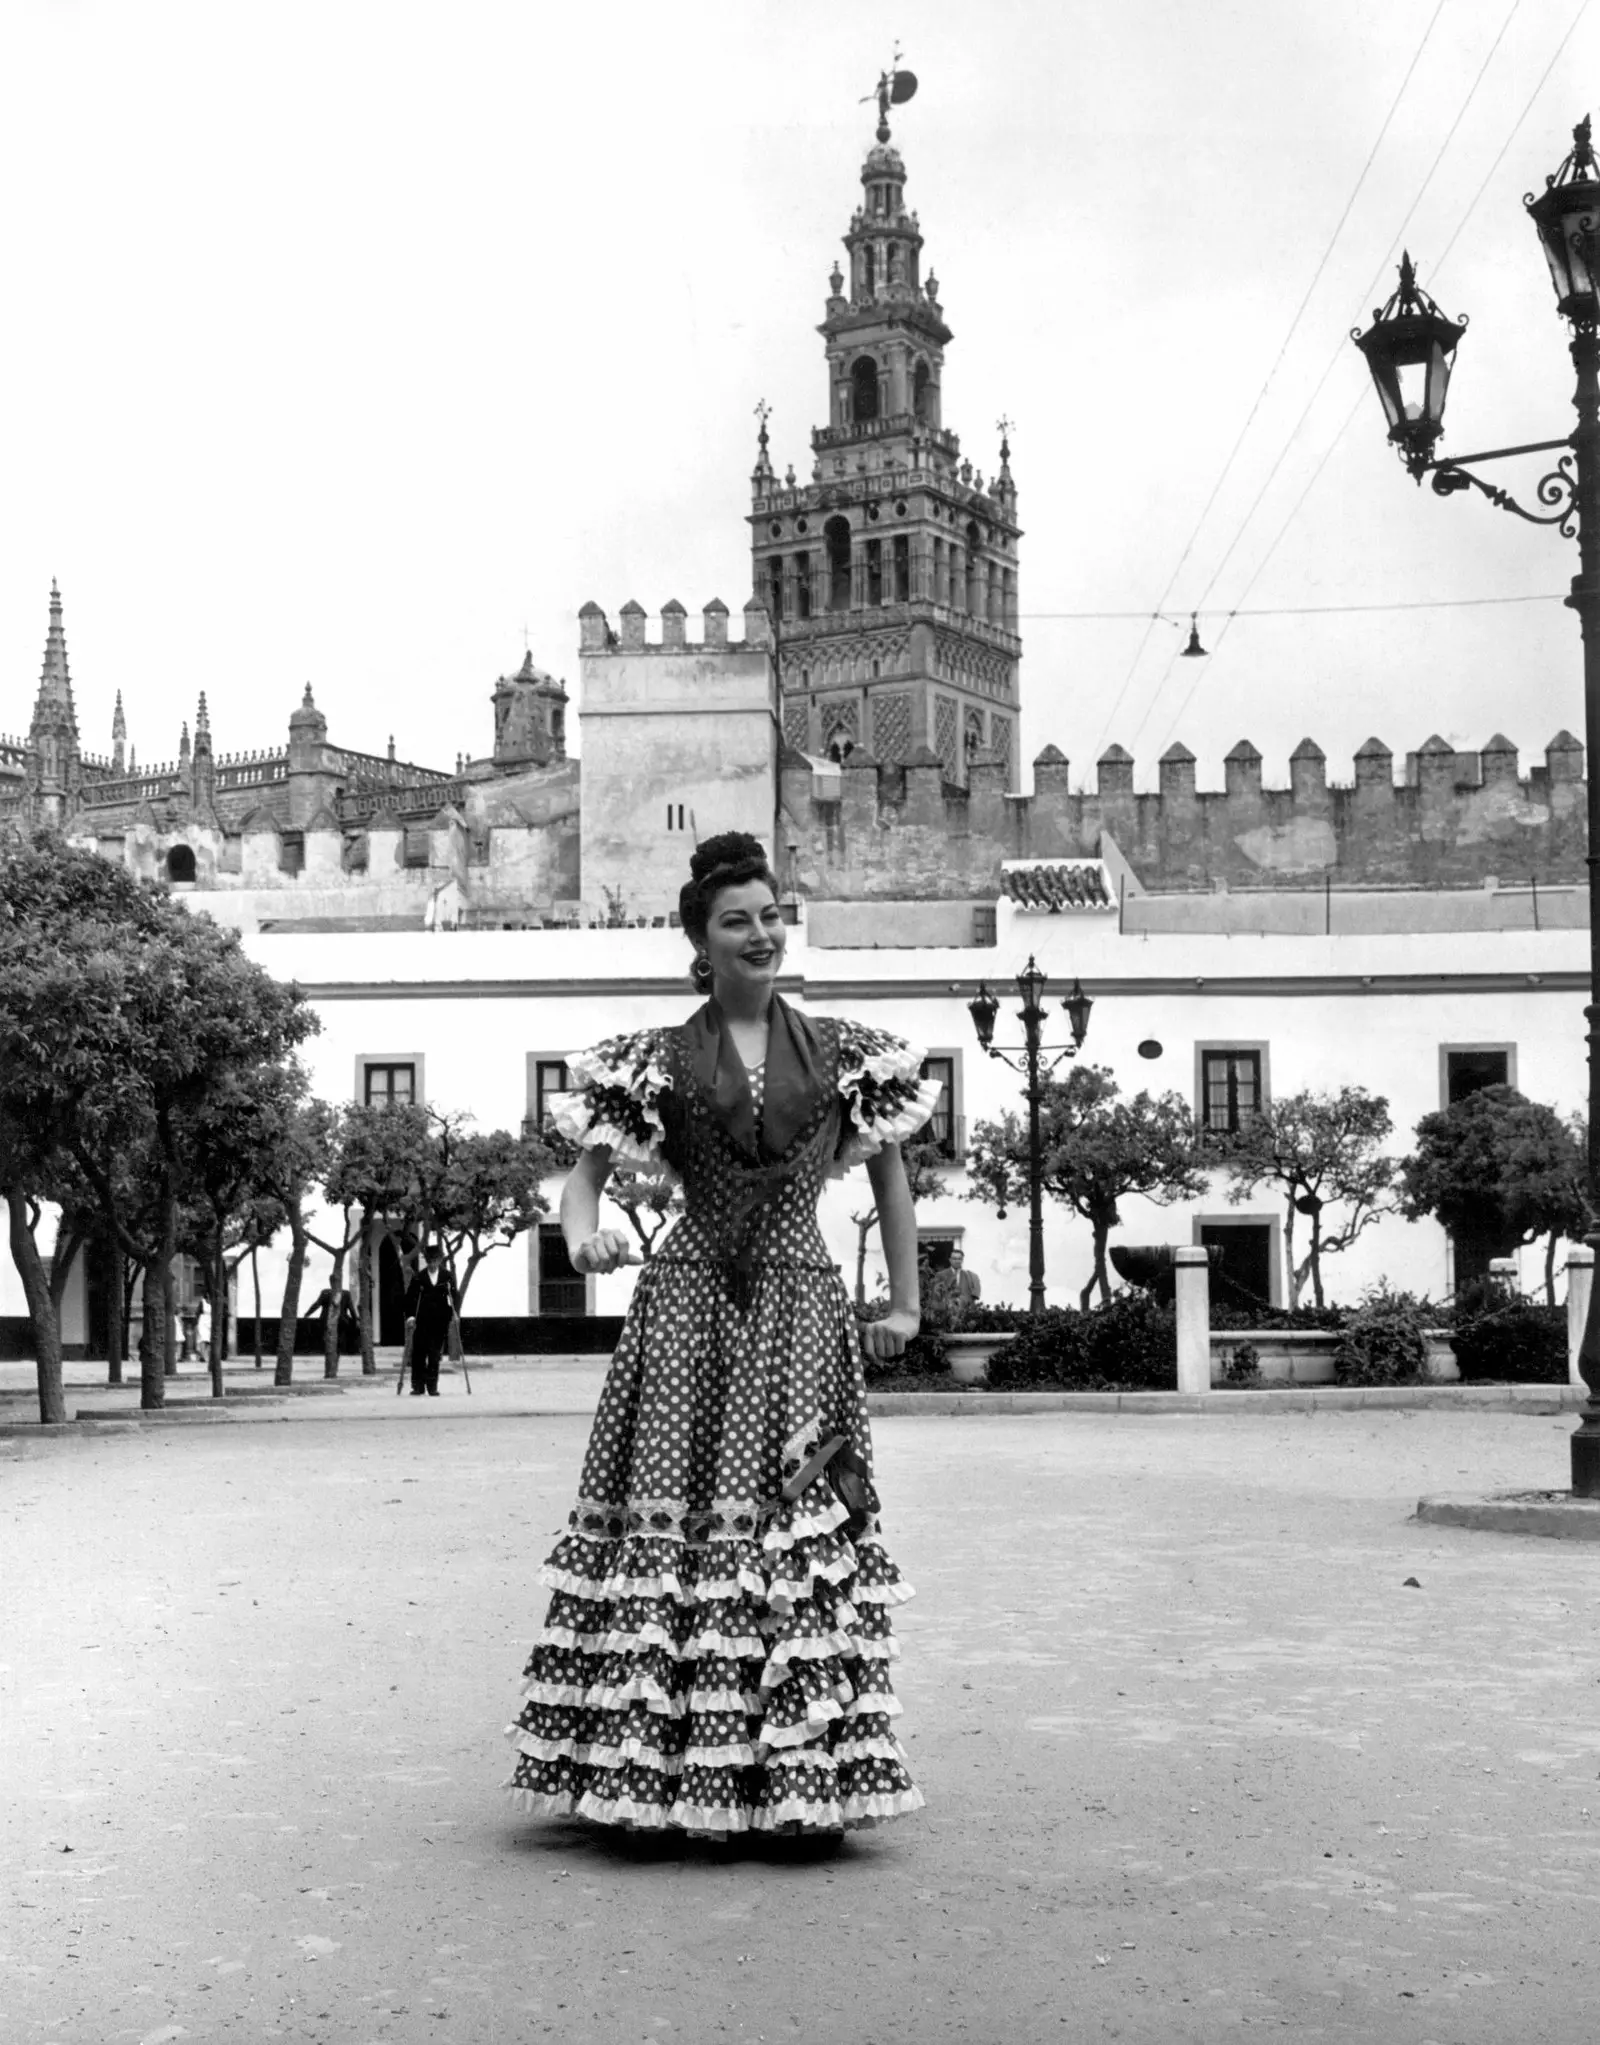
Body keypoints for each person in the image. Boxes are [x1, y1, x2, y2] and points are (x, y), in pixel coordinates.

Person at [504, 831, 942, 1837]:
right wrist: (581, 1242)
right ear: (701, 940)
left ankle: (794, 1775)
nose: (762, 932)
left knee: (790, 1510)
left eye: (771, 914)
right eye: (738, 918)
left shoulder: (846, 1054)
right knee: (678, 1513)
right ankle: (653, 1770)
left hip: (798, 1303)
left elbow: (889, 1181)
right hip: (687, 1302)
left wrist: (905, 1304)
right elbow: (584, 1180)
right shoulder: (654, 1057)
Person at [403, 1244, 457, 1397]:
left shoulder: (446, 1276)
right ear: (427, 1261)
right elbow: (410, 1298)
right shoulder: (419, 1277)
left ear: (439, 1260)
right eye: (430, 1261)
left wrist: (455, 1312)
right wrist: (411, 1316)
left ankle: (432, 1386)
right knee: (419, 1354)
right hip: (422, 1320)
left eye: (435, 1261)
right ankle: (418, 1386)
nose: (432, 1264)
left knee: (434, 1355)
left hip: (439, 1321)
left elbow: (454, 1295)